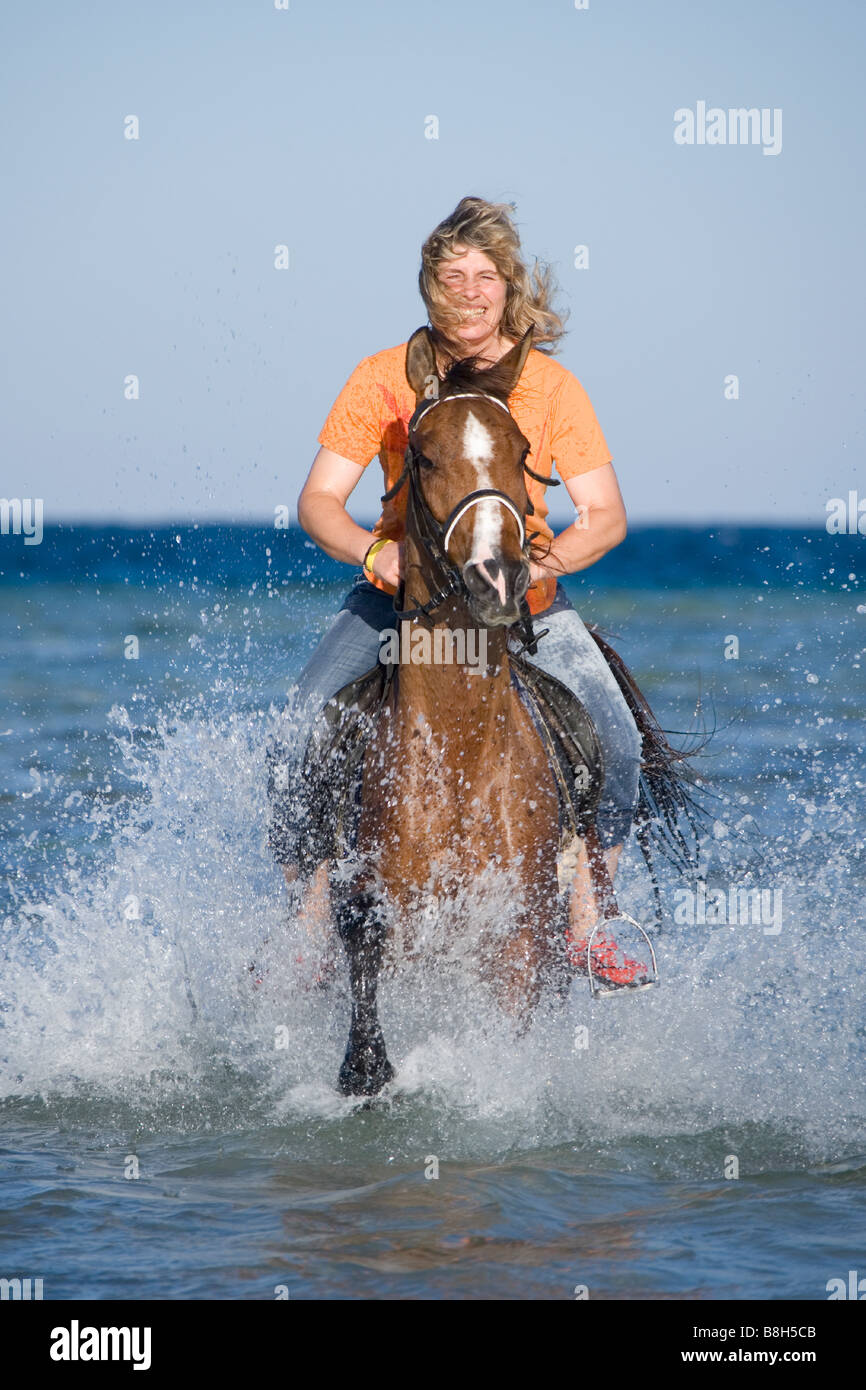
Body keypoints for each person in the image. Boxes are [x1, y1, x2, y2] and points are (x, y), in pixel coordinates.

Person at [267, 195, 649, 988]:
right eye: (452, 275)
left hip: (525, 600)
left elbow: (605, 516)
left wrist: (543, 566)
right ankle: (305, 924)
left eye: (485, 276)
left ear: (509, 287)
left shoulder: (550, 389)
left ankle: (591, 919)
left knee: (618, 740)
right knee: (299, 728)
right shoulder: (381, 379)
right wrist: (380, 556)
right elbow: (317, 503)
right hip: (401, 602)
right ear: (428, 286)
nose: (469, 291)